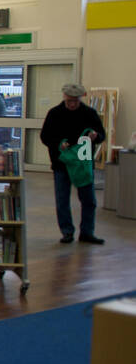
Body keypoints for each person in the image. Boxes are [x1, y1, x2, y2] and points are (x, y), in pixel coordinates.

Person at [39, 83, 106, 245]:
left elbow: (101, 135)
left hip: (83, 164)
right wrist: (58, 144)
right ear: (64, 98)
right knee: (62, 200)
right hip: (61, 164)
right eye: (69, 101)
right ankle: (67, 232)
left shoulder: (89, 114)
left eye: (75, 101)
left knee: (89, 200)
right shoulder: (54, 114)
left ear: (80, 99)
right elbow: (45, 136)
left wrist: (95, 136)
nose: (72, 104)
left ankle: (87, 232)